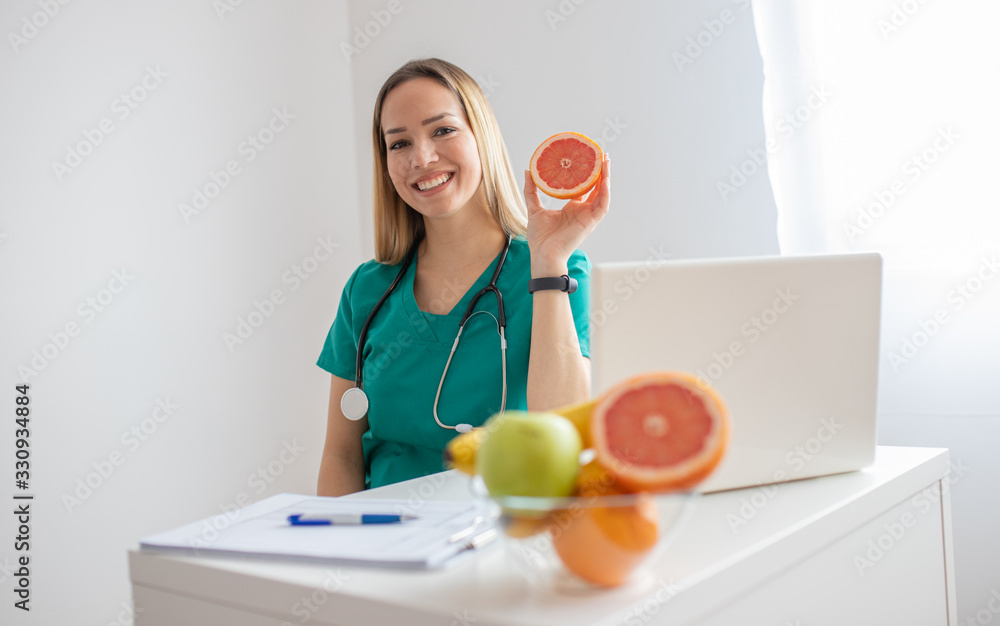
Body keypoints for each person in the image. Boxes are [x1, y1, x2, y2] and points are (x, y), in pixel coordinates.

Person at [316, 58, 610, 496]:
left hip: (502, 536)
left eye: (442, 130)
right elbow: (341, 455)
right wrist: (335, 556)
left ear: (481, 136)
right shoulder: (367, 290)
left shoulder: (554, 270)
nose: (422, 157)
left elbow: (564, 429)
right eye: (399, 144)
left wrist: (548, 263)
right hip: (380, 542)